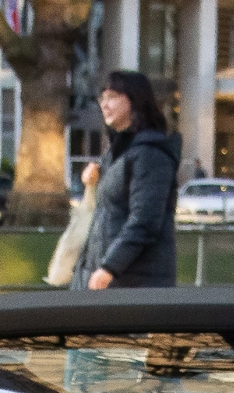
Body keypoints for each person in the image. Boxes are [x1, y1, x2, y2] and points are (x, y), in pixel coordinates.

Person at [73, 71, 182, 290]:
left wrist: (109, 268)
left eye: (112, 96)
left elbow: (144, 221)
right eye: (102, 98)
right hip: (110, 281)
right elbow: (107, 217)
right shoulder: (117, 152)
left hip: (132, 283)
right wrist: (93, 184)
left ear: (135, 99)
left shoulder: (150, 154)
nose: (105, 104)